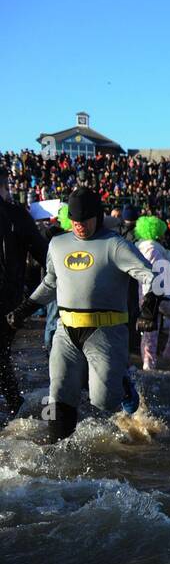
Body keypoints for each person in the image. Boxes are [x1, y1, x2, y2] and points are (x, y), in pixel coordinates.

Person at [6, 187, 156, 441]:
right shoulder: (58, 244)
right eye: (75, 221)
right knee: (59, 391)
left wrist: (149, 308)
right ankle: (57, 446)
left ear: (97, 216)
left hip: (106, 331)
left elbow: (150, 274)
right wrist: (24, 310)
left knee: (104, 401)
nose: (80, 226)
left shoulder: (115, 244)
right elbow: (51, 283)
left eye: (85, 220)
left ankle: (122, 384)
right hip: (66, 331)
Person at [0, 171, 48, 417]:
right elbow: (46, 256)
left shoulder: (15, 215)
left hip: (8, 301)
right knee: (2, 356)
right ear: (4, 186)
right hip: (9, 302)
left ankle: (14, 407)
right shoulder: (16, 215)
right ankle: (15, 407)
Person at [132, 215, 170, 369]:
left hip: (151, 294)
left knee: (151, 328)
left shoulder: (143, 245)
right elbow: (152, 273)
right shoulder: (152, 248)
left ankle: (150, 361)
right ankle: (163, 354)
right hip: (154, 295)